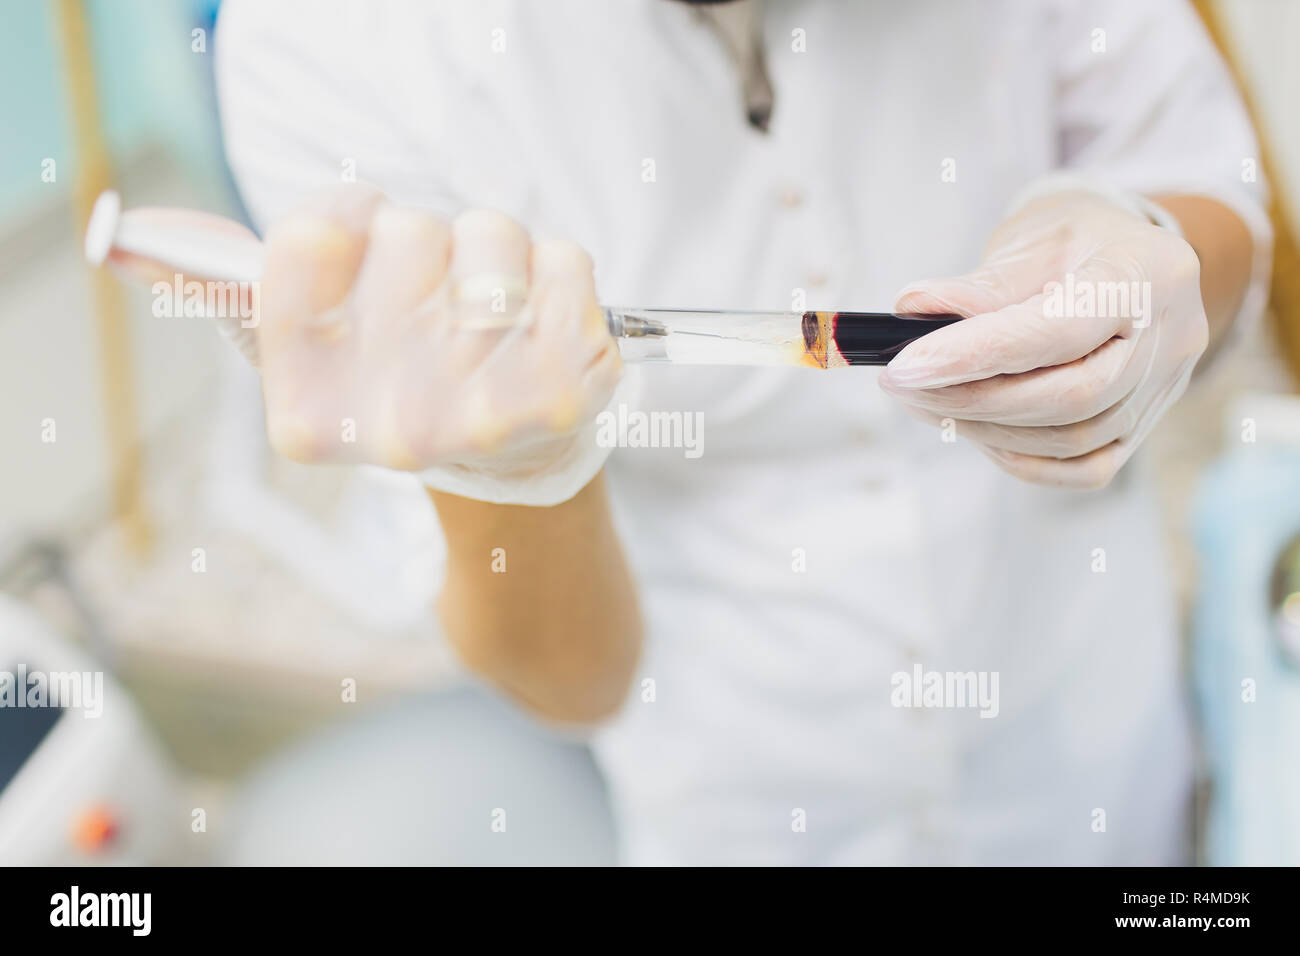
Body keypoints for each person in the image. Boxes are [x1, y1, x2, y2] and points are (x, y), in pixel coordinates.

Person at [205, 0, 1271, 864]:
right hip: (741, 781)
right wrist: (514, 473)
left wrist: (1149, 250)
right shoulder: (330, 42)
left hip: (1078, 711)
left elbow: (1204, 179)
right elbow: (565, 677)